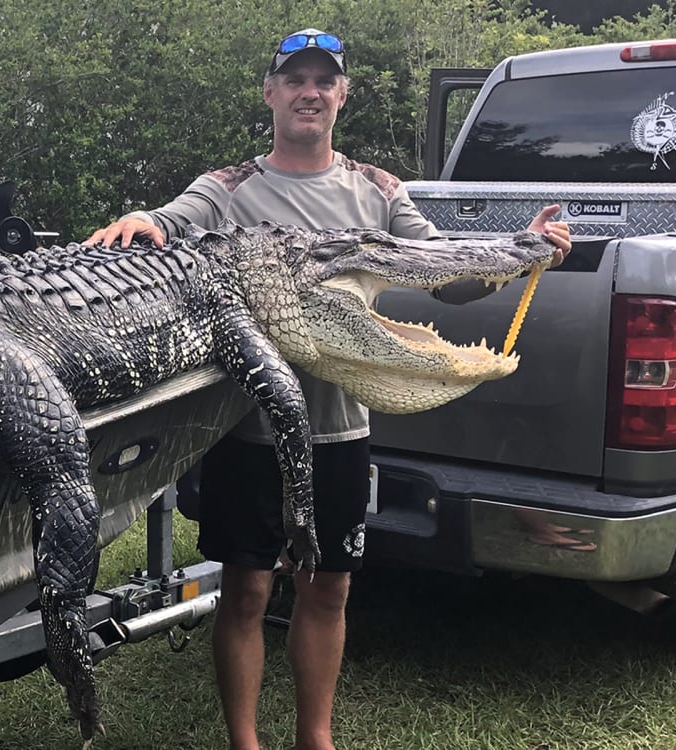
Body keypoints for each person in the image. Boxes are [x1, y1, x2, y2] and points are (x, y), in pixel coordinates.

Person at [86, 28, 571, 750]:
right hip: (244, 428)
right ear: (271, 92)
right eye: (295, 79)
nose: (309, 92)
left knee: (329, 588)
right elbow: (170, 223)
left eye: (324, 81)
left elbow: (444, 269)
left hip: (339, 428)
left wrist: (522, 252)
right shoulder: (230, 186)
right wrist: (141, 222)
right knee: (247, 590)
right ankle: (244, 742)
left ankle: (318, 739)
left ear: (342, 95)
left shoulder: (377, 190)